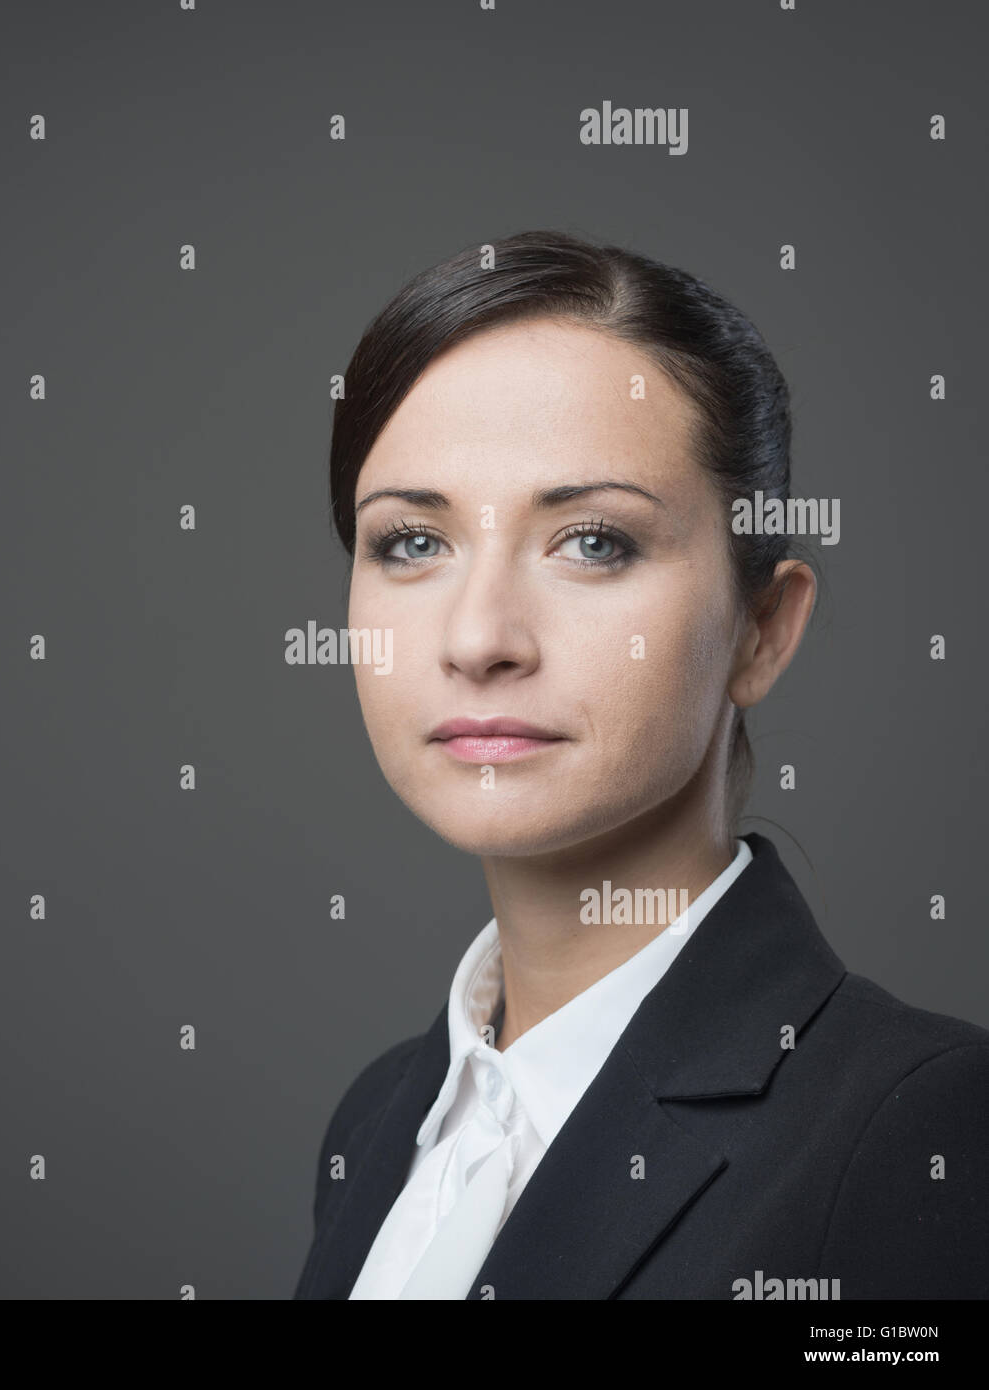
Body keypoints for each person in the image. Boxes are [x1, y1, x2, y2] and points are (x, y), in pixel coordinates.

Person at [293, 230, 989, 1300]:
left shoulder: (916, 1129)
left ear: (762, 626)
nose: (478, 638)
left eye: (593, 541)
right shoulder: (384, 1118)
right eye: (412, 543)